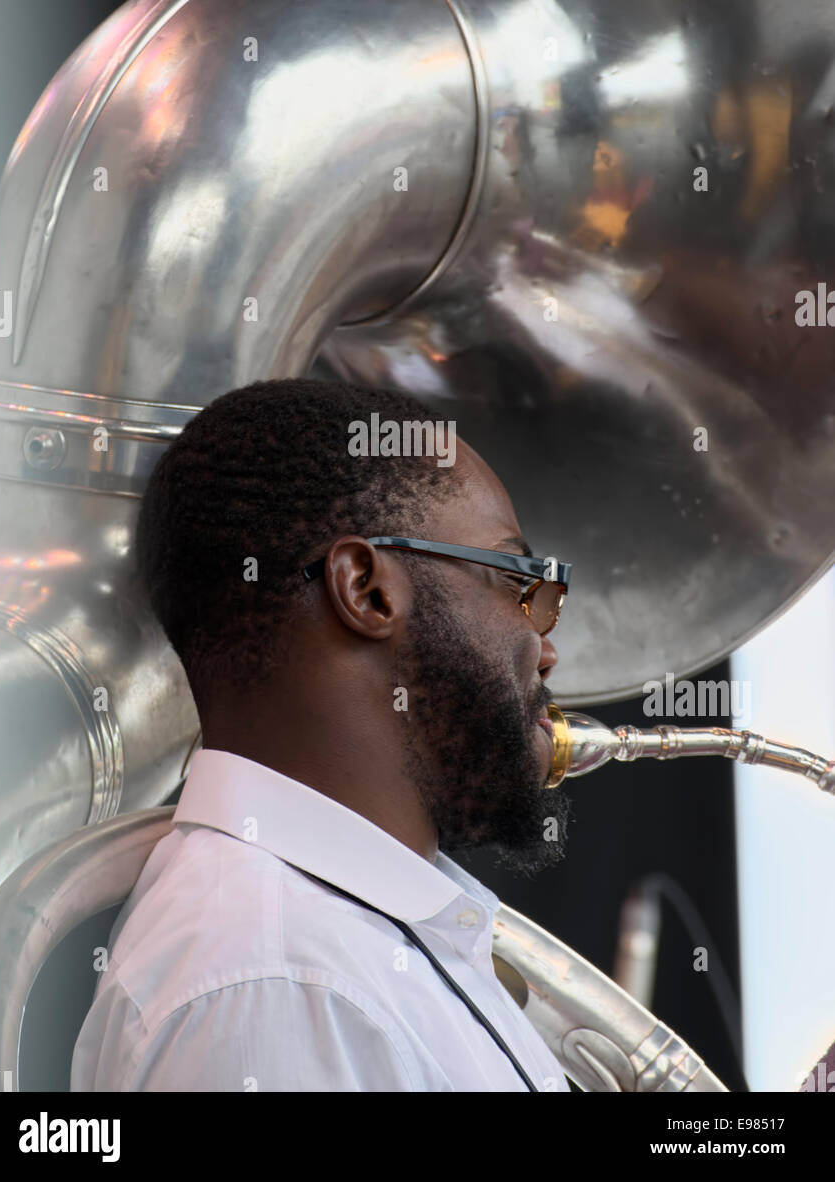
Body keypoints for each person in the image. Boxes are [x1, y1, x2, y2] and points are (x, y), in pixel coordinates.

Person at [71, 378, 574, 1091]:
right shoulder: (274, 984)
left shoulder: (316, 956)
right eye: (515, 582)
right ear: (367, 590)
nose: (546, 647)